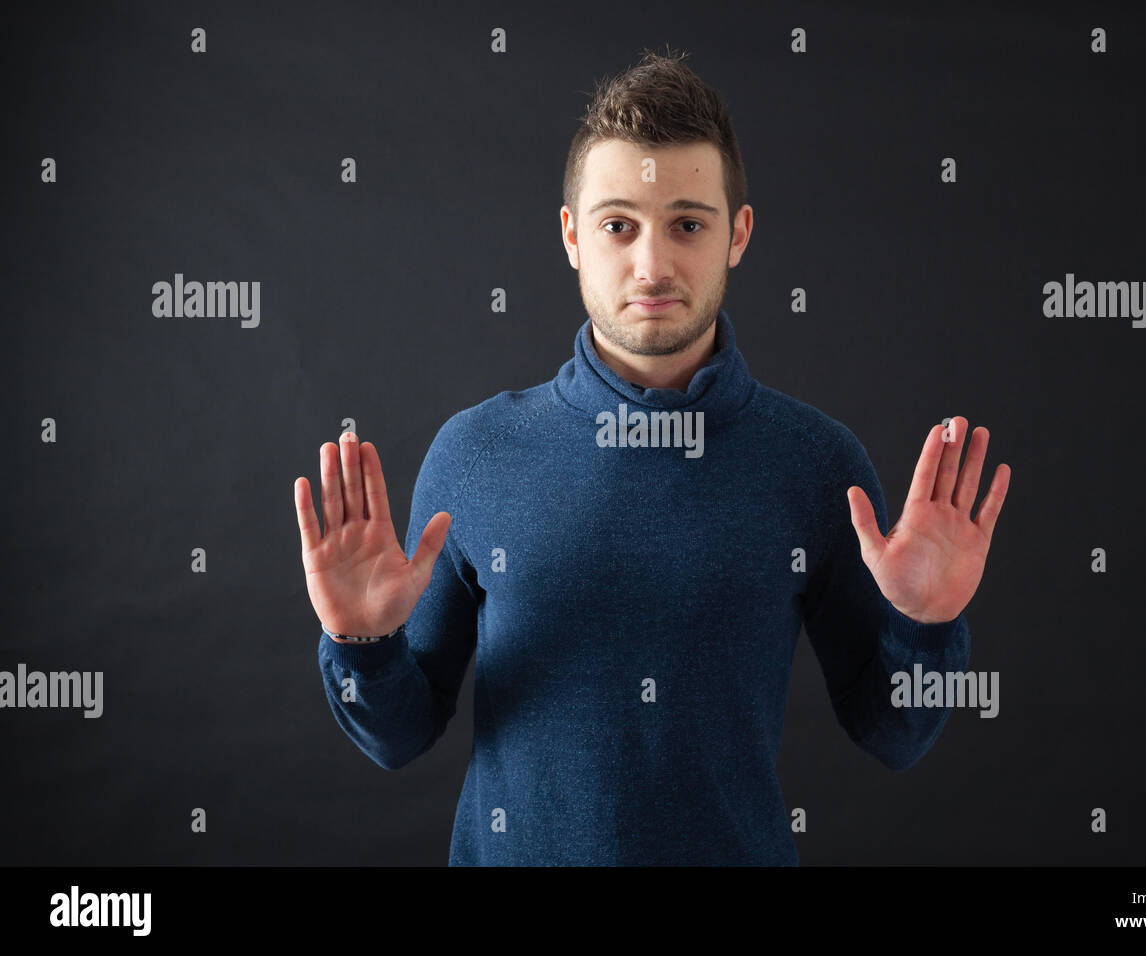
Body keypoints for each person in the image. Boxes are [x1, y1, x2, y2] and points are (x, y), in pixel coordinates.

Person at [292, 47, 1010, 866]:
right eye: (618, 225)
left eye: (688, 224)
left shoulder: (815, 464)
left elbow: (894, 738)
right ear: (571, 236)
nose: (653, 265)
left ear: (737, 234)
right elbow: (399, 738)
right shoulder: (477, 454)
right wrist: (360, 646)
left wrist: (927, 628)